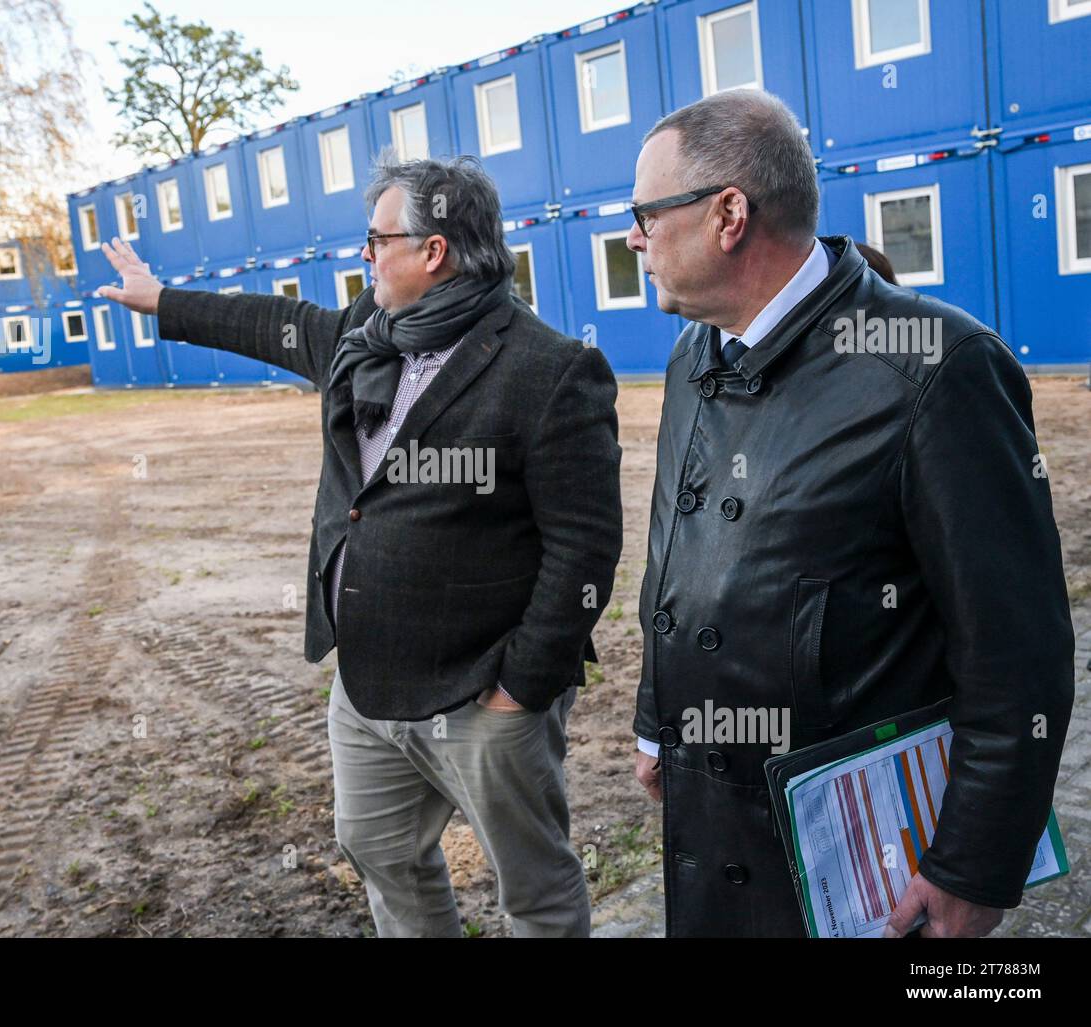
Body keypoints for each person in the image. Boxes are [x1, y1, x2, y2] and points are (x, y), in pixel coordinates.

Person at [98, 154, 624, 937]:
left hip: (482, 691)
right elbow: (268, 325)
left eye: (377, 239)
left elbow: (584, 546)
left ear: (433, 251)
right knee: (379, 850)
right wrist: (163, 300)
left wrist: (521, 687)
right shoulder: (365, 338)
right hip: (368, 679)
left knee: (534, 890)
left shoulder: (548, 368)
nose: (364, 254)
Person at [625, 89, 1074, 938]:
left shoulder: (935, 369)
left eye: (646, 212)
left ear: (728, 214)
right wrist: (659, 716)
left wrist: (974, 863)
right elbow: (674, 552)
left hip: (861, 856)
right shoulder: (695, 352)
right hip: (712, 811)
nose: (633, 238)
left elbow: (1020, 650)